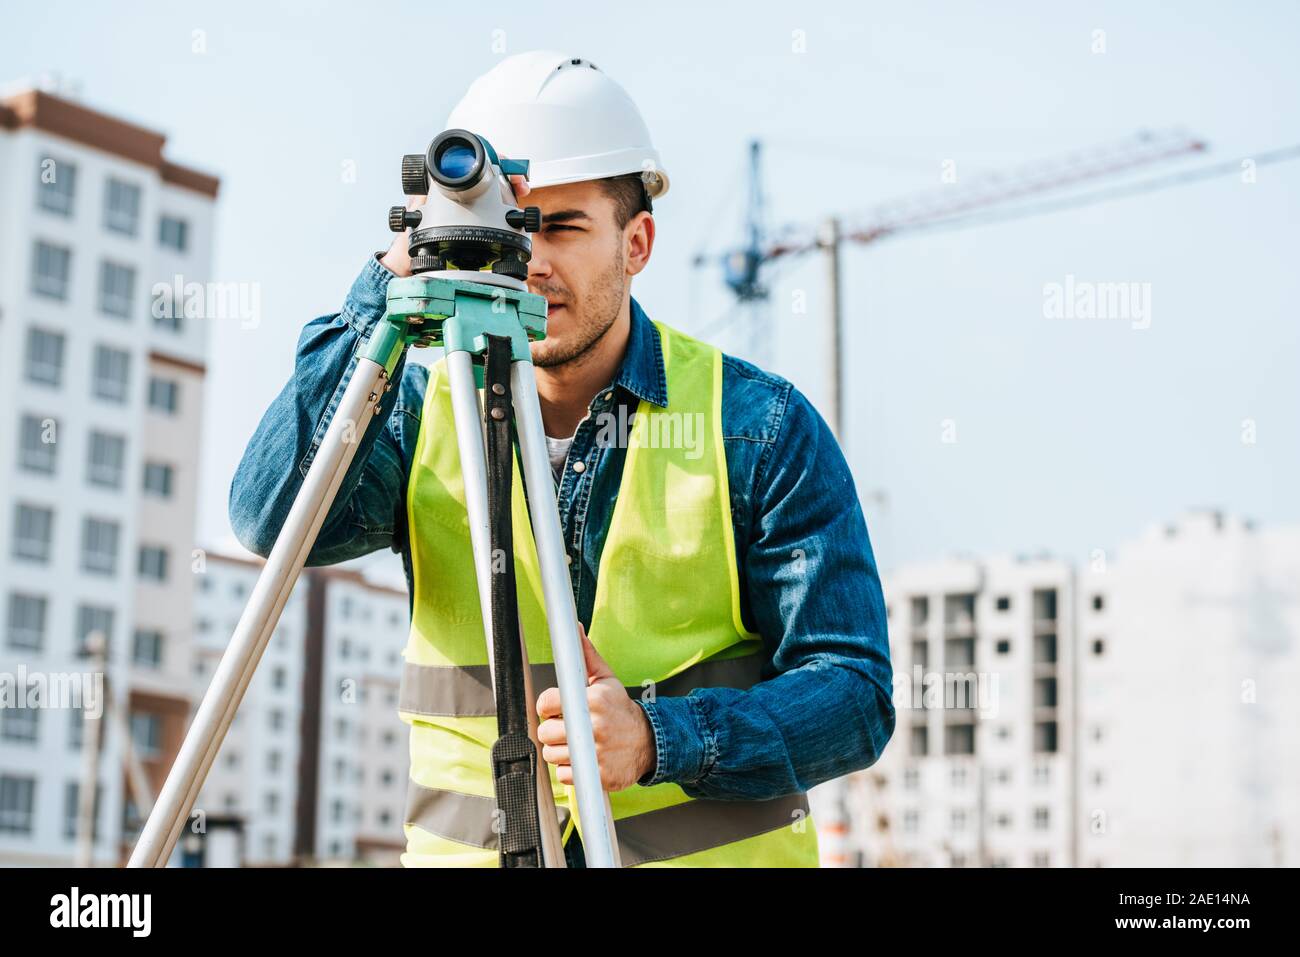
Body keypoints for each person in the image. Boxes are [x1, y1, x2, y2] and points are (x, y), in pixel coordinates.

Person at [229, 50, 894, 867]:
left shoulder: (755, 426)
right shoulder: (413, 409)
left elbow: (855, 695)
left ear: (637, 241)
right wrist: (391, 278)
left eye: (564, 226)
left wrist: (660, 738)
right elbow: (269, 517)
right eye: (511, 225)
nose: (531, 259)